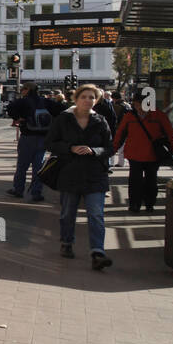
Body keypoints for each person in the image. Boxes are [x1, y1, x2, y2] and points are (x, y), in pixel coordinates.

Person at [45, 85, 114, 269]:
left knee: (96, 214)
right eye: (84, 96)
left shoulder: (101, 121)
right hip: (70, 172)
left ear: (96, 100)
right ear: (76, 99)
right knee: (68, 213)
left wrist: (94, 150)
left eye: (92, 97)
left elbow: (109, 147)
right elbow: (50, 142)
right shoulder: (63, 119)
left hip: (95, 174)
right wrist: (70, 148)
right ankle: (66, 243)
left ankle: (98, 252)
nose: (88, 100)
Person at [112, 91, 173, 213]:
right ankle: (136, 205)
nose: (140, 106)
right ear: (135, 103)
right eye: (138, 103)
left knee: (150, 180)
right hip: (135, 154)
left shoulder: (157, 115)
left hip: (152, 154)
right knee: (136, 181)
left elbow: (170, 133)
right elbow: (120, 134)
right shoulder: (130, 116)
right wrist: (114, 148)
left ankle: (148, 204)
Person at [5, 82, 59, 201]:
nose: (22, 91)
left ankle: (18, 189)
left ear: (28, 89)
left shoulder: (23, 101)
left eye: (23, 89)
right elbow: (61, 109)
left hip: (27, 137)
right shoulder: (45, 101)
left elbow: (9, 108)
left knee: (22, 166)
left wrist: (18, 118)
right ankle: (36, 192)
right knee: (38, 167)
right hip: (43, 138)